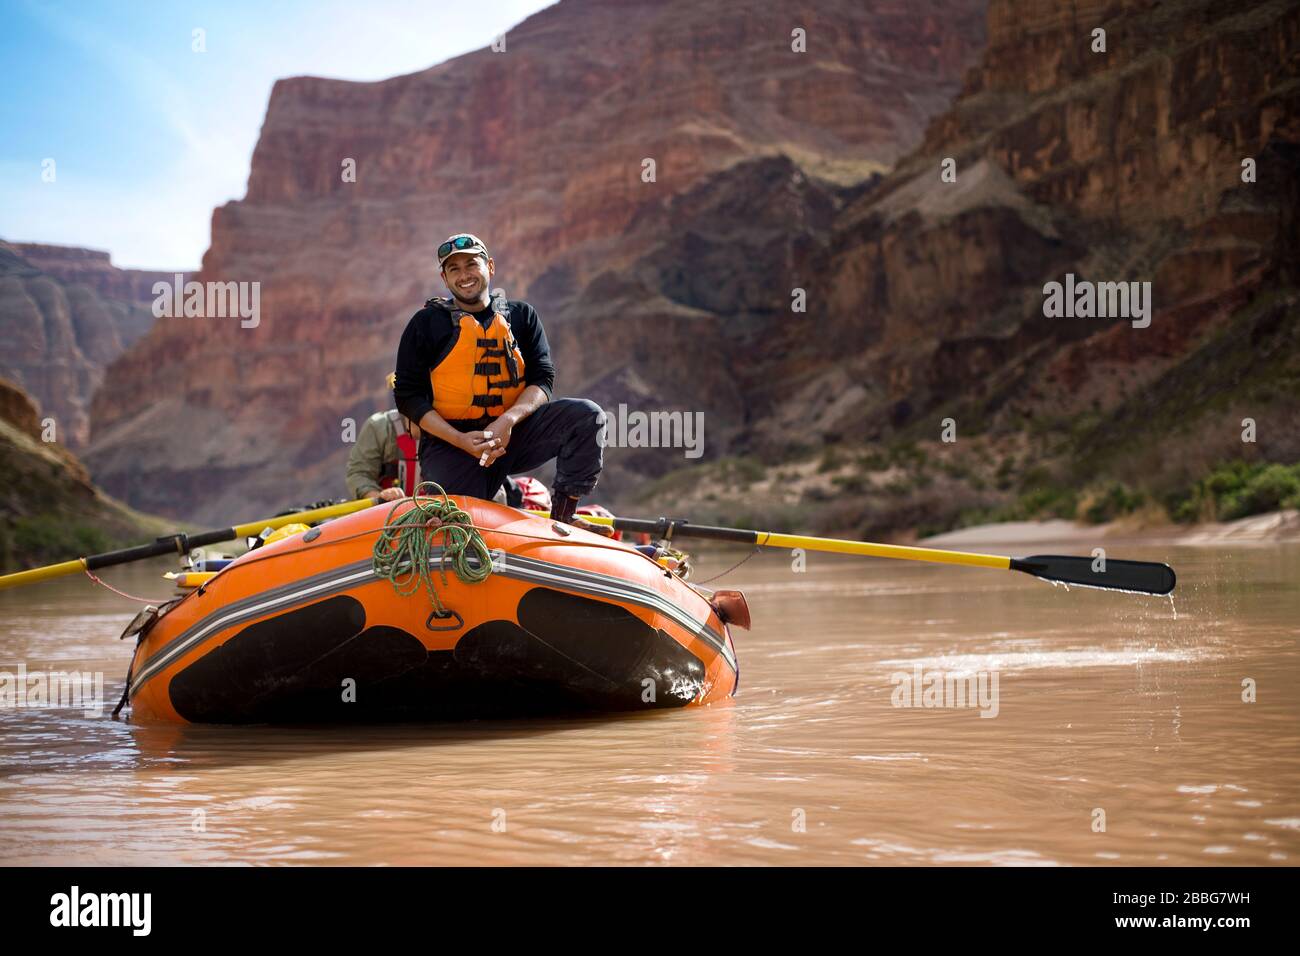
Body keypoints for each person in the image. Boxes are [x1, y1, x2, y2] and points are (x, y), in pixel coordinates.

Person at [393, 232, 608, 532]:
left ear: (490, 267)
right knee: (456, 526)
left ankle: (563, 514)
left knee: (587, 416)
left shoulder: (523, 316)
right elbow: (407, 395)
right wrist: (460, 440)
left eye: (471, 264)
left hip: (511, 435)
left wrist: (507, 421)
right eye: (454, 269)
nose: (464, 275)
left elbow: (543, 378)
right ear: (444, 278)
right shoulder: (425, 325)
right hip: (451, 444)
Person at [345, 401, 421, 502]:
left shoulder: (447, 430)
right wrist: (380, 497)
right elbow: (359, 474)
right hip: (386, 513)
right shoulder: (379, 427)